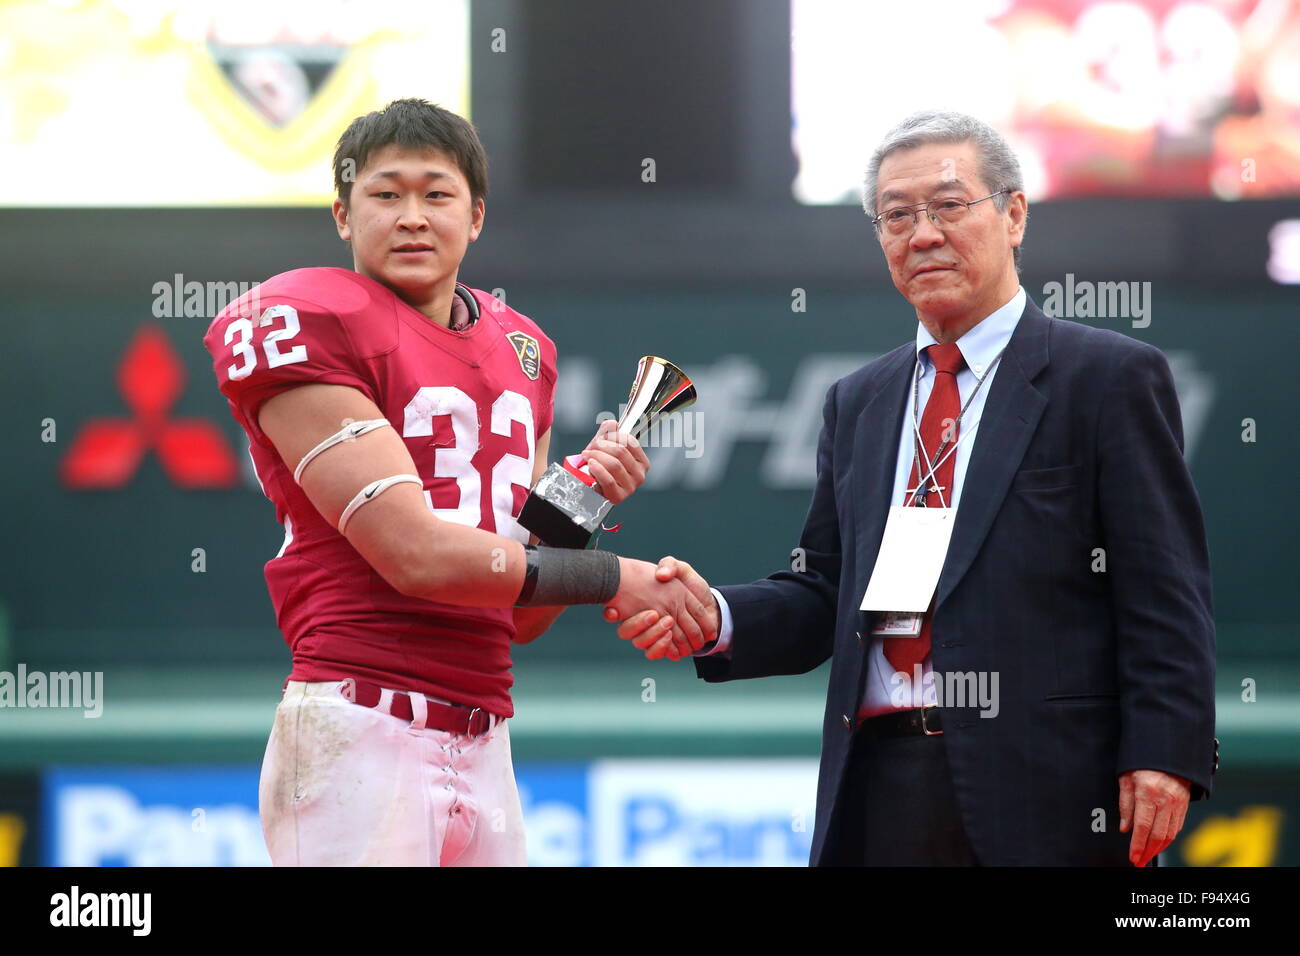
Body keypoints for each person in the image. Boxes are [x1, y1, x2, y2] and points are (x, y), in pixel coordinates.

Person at [615, 110, 1217, 867]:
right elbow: (829, 592)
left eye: (949, 206)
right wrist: (718, 616)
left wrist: (1167, 750)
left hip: (1052, 788)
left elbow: (1164, 588)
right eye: (896, 216)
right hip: (880, 786)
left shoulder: (1105, 377)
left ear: (1015, 214)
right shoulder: (859, 401)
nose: (922, 233)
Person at [203, 99, 715, 866]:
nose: (412, 215)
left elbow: (516, 620)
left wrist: (579, 498)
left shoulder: (523, 349)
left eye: (436, 194)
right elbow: (416, 556)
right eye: (386, 194)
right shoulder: (303, 315)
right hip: (362, 717)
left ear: (476, 217)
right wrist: (619, 578)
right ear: (343, 215)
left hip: (486, 731)